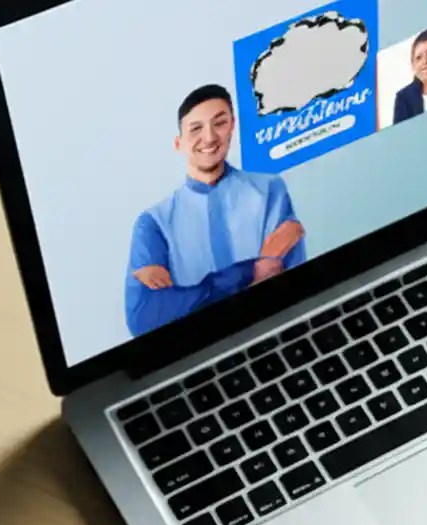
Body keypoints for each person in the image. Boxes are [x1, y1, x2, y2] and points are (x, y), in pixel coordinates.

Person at [125, 84, 307, 337]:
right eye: (196, 128)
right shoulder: (153, 223)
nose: (209, 138)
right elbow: (145, 319)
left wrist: (189, 296)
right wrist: (249, 272)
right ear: (179, 143)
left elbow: (291, 288)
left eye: (219, 123)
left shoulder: (270, 191)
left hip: (273, 332)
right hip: (194, 346)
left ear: (233, 126)